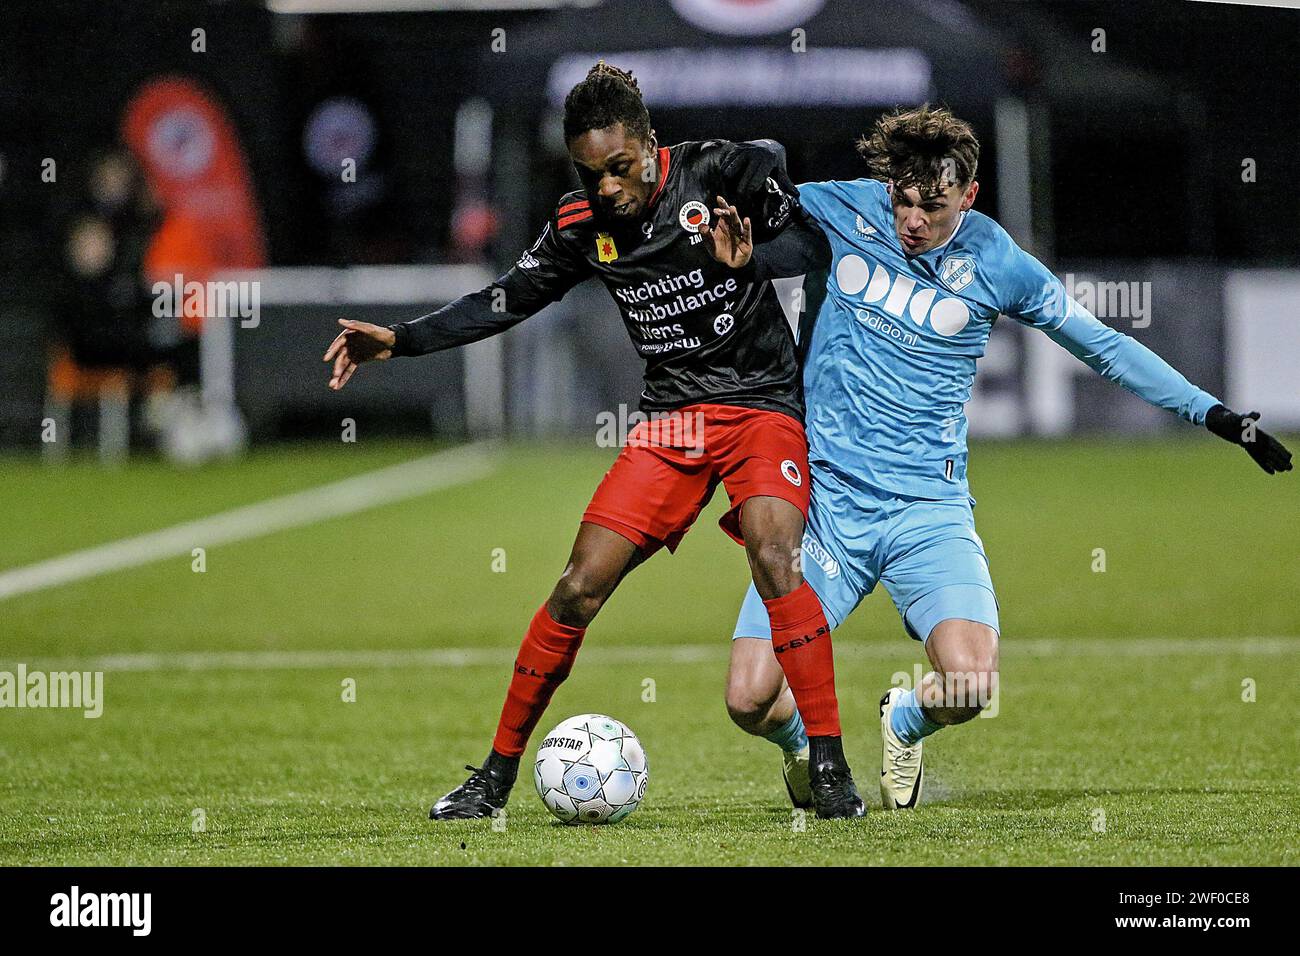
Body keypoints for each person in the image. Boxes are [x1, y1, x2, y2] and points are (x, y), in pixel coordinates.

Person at [705, 104, 1292, 811]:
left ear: (970, 195)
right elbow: (740, 216)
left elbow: (1102, 345)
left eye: (933, 206)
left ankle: (904, 719)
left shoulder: (997, 260)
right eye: (902, 199)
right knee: (748, 698)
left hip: (929, 511)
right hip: (826, 508)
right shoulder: (844, 207)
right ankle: (805, 749)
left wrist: (1216, 414)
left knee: (970, 686)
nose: (911, 220)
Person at [322, 62, 866, 819]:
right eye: (591, 172)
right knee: (578, 586)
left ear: (649, 144)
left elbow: (796, 219)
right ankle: (494, 778)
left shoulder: (710, 175)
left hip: (760, 407)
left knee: (775, 554)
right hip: (672, 422)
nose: (607, 186)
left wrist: (754, 244)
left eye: (619, 166)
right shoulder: (581, 227)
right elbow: (504, 299)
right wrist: (403, 340)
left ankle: (831, 767)